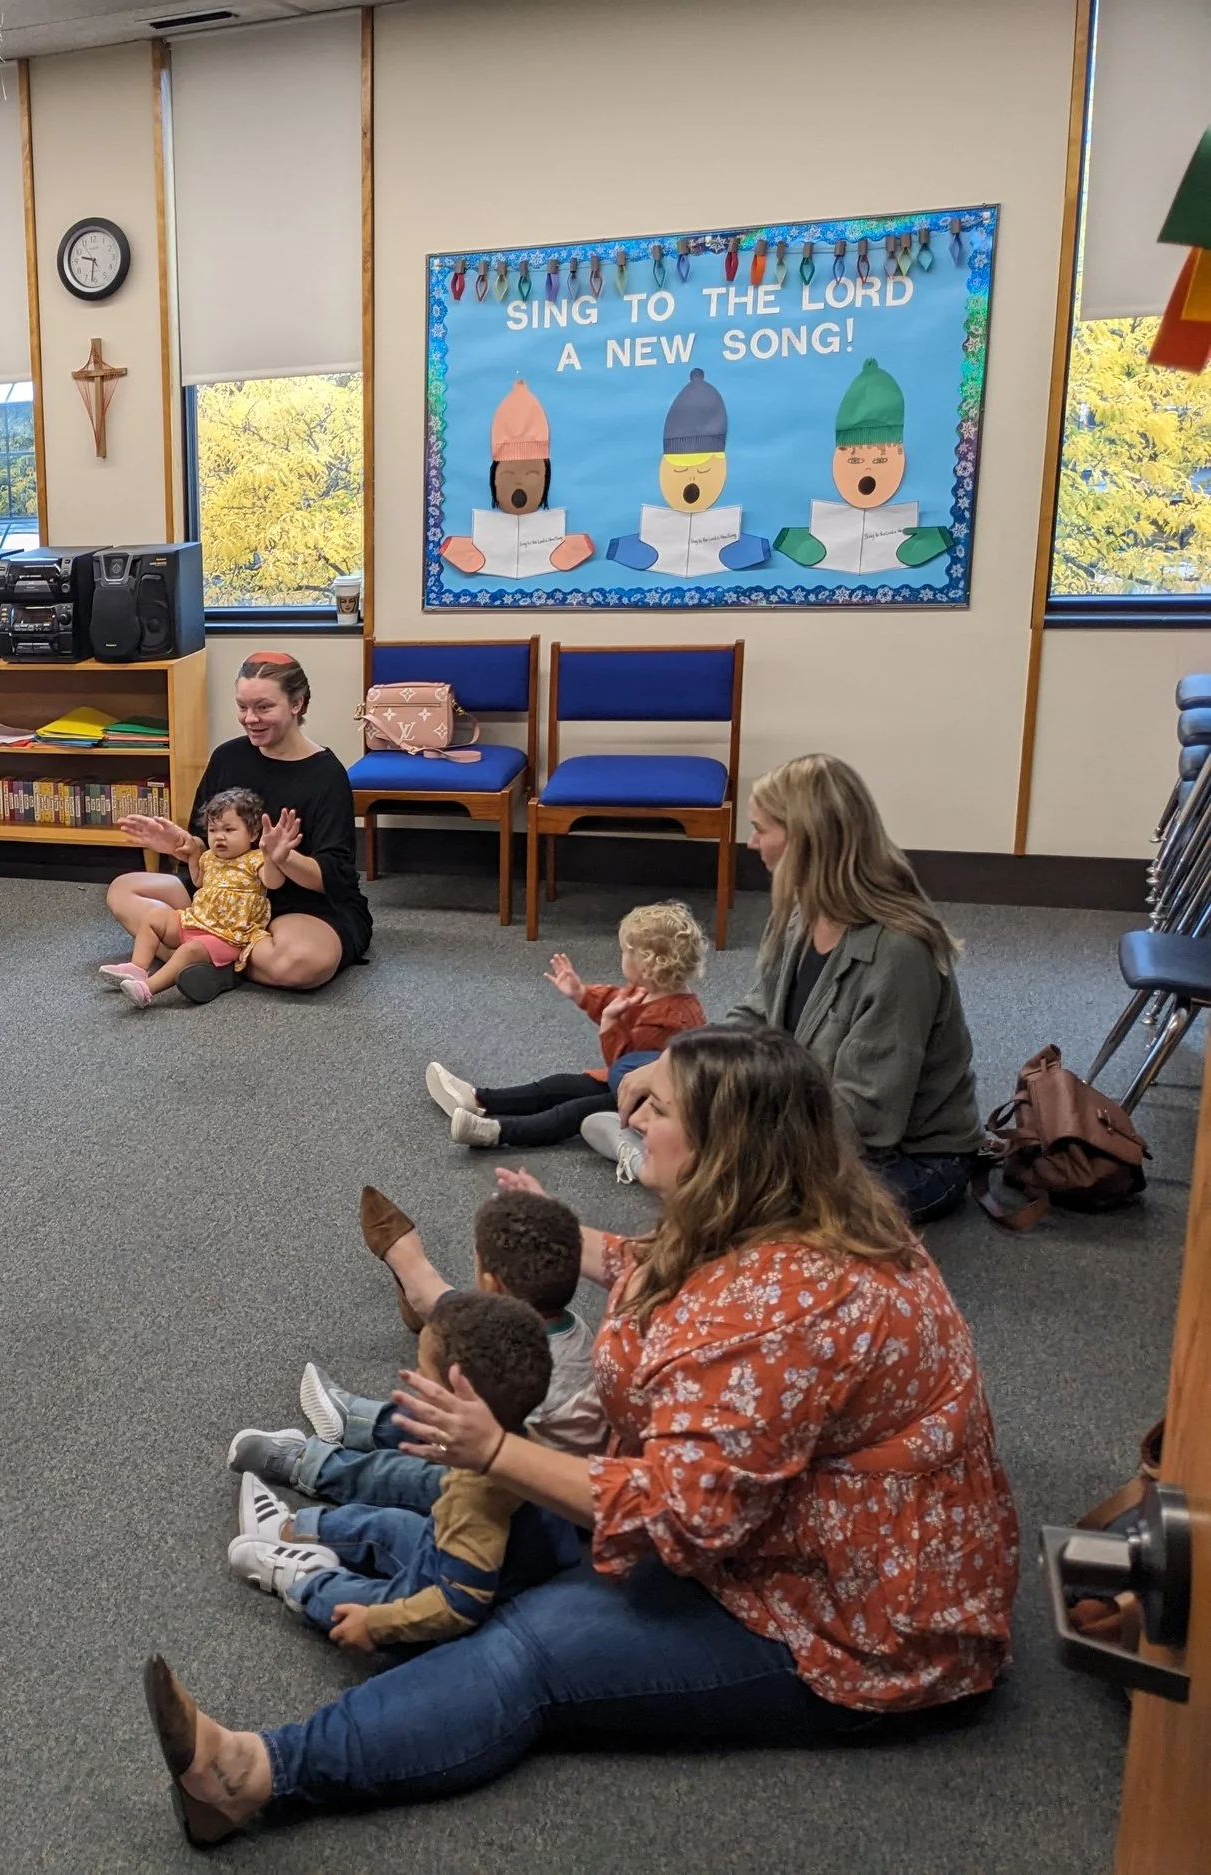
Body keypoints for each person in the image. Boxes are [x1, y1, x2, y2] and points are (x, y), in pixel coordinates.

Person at [142, 1027, 1017, 1846]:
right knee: (502, 1531)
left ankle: (251, 1775)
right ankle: (370, 1591)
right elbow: (649, 1265)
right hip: (773, 1530)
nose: (633, 1114)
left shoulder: (785, 1306)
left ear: (726, 1154)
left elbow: (684, 1517)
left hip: (851, 1616)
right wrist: (560, 1239)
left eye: (660, 1109)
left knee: (534, 1646)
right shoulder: (784, 1215)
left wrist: (495, 1449)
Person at [599, 754, 980, 1222]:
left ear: (805, 839)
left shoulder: (900, 952)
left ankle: (666, 1159)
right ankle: (675, 1149)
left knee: (765, 1205)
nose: (752, 842)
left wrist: (725, 1122)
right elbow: (755, 1017)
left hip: (906, 1159)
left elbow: (865, 1119)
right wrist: (674, 1065)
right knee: (637, 1068)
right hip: (799, 1098)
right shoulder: (805, 910)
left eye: (762, 829)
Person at [225, 1292, 567, 1657]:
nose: (415, 1379)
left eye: (423, 1376)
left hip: (444, 1596)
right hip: (442, 1549)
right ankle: (288, 1530)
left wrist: (375, 1624)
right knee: (382, 1524)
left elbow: (458, 1605)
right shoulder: (520, 1437)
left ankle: (306, 1581)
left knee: (355, 1602)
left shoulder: (477, 1499)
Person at [229, 1187, 604, 1516]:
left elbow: (483, 1439)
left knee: (405, 1477)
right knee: (436, 1420)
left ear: (490, 1283)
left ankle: (309, 1465)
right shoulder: (578, 1333)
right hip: (538, 1446)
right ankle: (359, 1421)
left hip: (522, 1490)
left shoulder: (503, 1365)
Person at [112, 652, 370, 1001]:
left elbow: (333, 877)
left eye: (264, 707)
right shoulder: (228, 757)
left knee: (303, 962)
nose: (250, 719)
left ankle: (201, 958)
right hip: (221, 897)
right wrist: (181, 844)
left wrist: (284, 858)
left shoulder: (327, 776)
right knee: (122, 890)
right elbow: (207, 850)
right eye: (243, 707)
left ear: (297, 704)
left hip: (294, 906)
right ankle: (213, 956)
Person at [426, 901, 706, 1151]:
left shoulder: (670, 1019)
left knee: (571, 1112)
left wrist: (608, 1025)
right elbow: (615, 1001)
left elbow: (623, 1073)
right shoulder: (655, 990)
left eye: (624, 952)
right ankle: (479, 1099)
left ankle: (496, 1132)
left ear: (645, 967)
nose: (620, 956)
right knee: (557, 1085)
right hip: (632, 1087)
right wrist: (582, 993)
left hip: (647, 1102)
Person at [105, 788, 283, 1009]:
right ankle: (138, 967)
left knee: (189, 951)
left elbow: (273, 882)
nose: (219, 837)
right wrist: (192, 854)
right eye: (212, 829)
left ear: (254, 834)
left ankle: (148, 988)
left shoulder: (255, 860)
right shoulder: (209, 857)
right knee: (153, 918)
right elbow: (198, 881)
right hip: (196, 920)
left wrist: (272, 856)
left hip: (228, 936)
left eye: (229, 829)